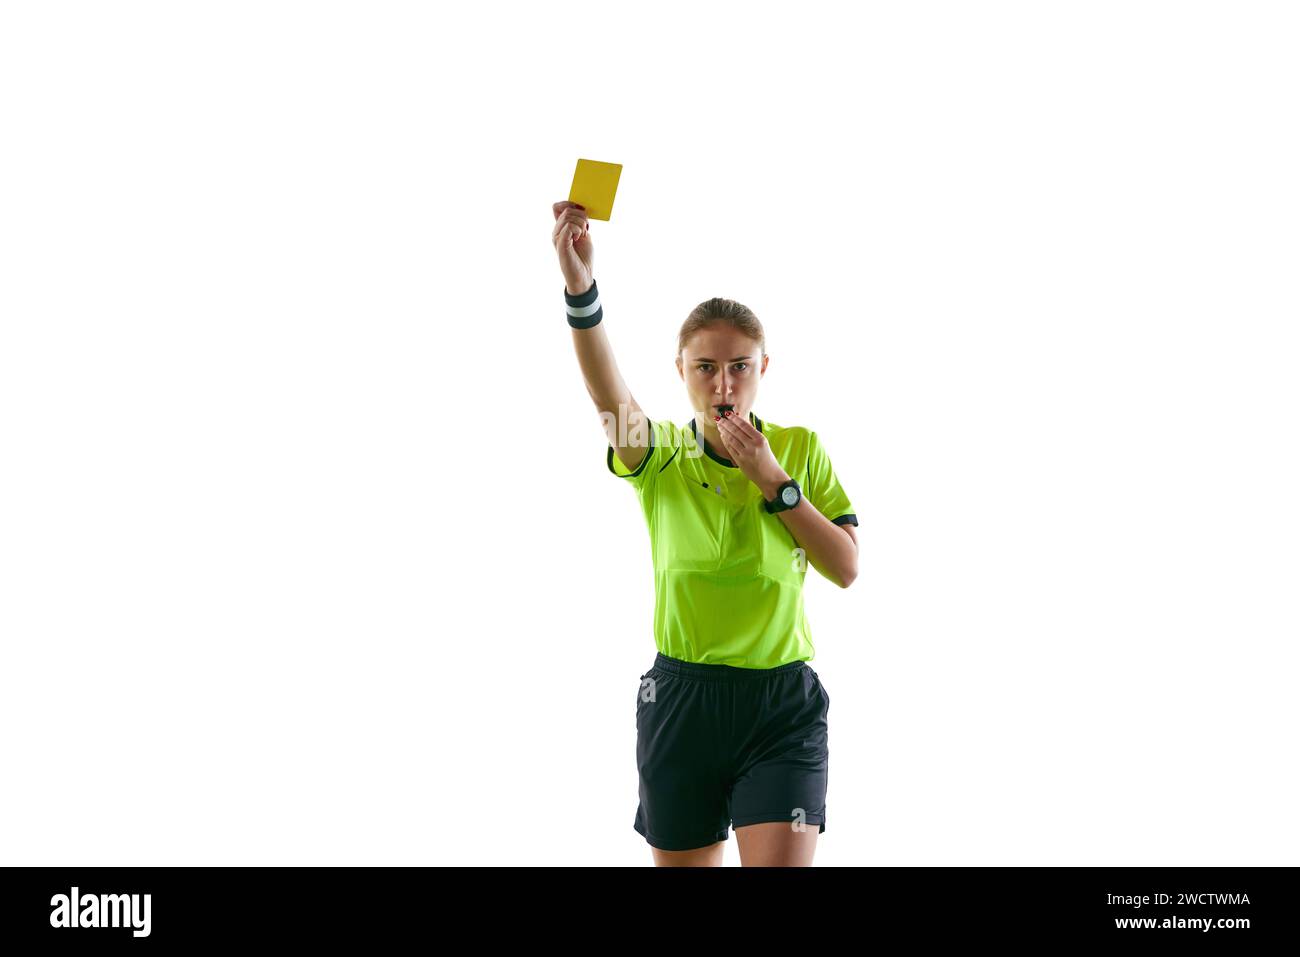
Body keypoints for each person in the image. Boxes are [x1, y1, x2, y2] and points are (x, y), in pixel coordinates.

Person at [552, 200, 859, 867]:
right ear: (682, 371)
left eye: (740, 366)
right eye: (706, 368)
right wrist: (581, 287)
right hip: (682, 702)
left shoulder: (799, 450)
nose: (724, 384)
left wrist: (772, 479)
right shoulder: (658, 454)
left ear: (763, 368)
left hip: (781, 704)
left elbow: (846, 566)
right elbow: (610, 398)